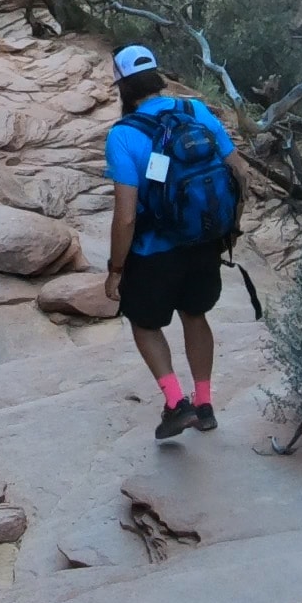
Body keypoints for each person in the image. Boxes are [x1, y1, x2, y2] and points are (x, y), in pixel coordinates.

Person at [101, 44, 258, 440]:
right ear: (157, 76)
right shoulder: (196, 111)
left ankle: (176, 403)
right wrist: (230, 228)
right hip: (204, 241)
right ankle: (204, 405)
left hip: (153, 251)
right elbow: (240, 171)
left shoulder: (124, 135)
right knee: (195, 315)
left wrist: (116, 269)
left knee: (144, 324)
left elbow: (126, 216)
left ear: (123, 87)